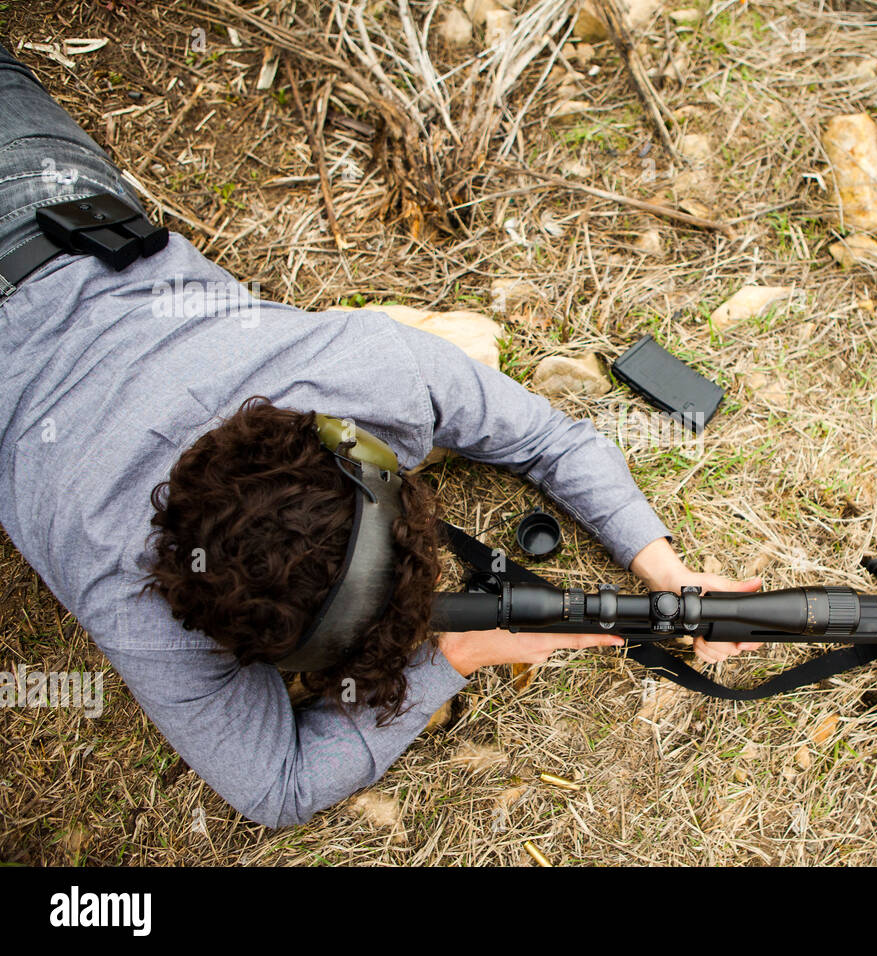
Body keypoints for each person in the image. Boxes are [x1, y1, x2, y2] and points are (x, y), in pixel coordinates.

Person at [0, 42, 759, 828]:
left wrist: (667, 571)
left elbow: (554, 439)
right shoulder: (131, 597)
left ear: (367, 459)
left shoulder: (371, 367)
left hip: (34, 181)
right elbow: (277, 789)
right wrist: (456, 655)